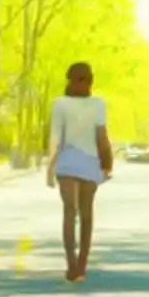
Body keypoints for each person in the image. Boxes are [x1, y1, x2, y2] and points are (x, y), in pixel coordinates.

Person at [46, 62, 113, 282]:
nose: (83, 84)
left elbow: (57, 139)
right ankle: (77, 265)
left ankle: (76, 265)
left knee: (75, 212)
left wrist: (50, 167)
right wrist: (106, 163)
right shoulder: (93, 104)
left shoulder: (62, 104)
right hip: (82, 163)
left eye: (84, 80)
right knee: (80, 213)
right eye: (81, 79)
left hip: (72, 163)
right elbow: (100, 137)